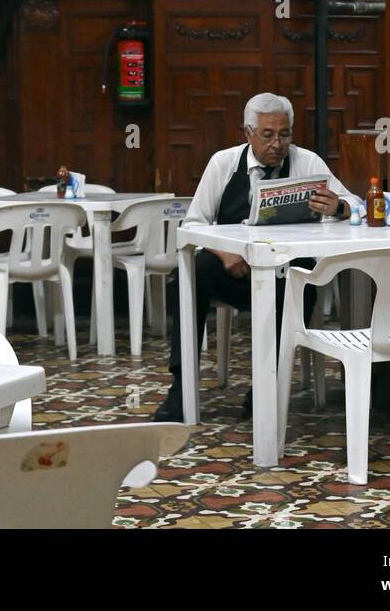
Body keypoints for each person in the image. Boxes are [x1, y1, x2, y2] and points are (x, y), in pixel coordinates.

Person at [153, 92, 358, 423]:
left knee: (303, 278)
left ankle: (267, 386)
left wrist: (339, 206)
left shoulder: (307, 162)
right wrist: (224, 251)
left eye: (285, 134)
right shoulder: (224, 163)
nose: (278, 144)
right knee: (190, 274)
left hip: (285, 274)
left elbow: (356, 203)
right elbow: (192, 224)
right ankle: (181, 387)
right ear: (247, 133)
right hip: (235, 271)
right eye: (268, 135)